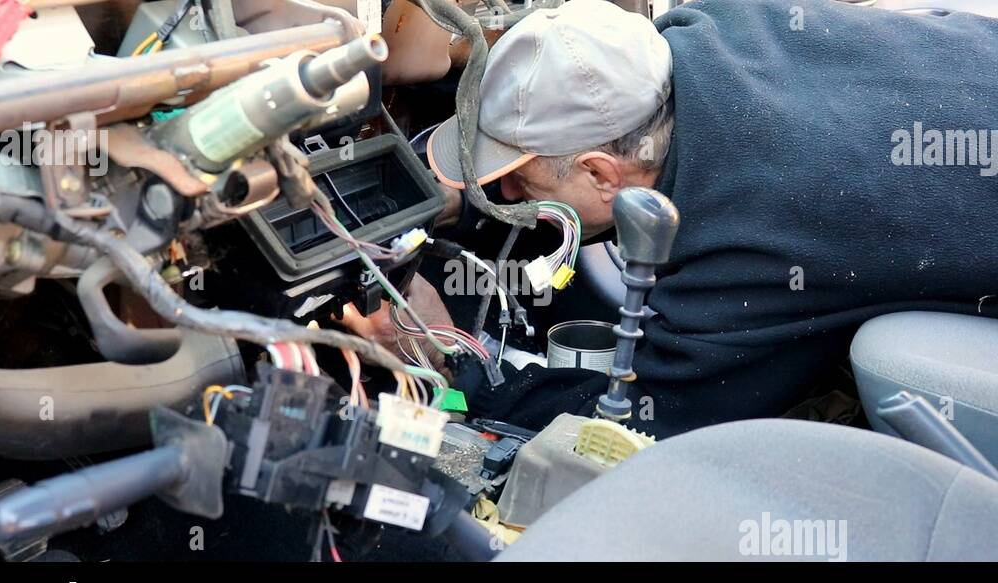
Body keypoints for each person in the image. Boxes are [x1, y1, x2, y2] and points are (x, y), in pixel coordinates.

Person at [343, 0, 998, 437]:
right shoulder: (702, 29)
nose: (510, 194)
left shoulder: (746, 241)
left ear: (602, 172)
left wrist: (446, 370)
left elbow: (637, 424)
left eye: (519, 181)